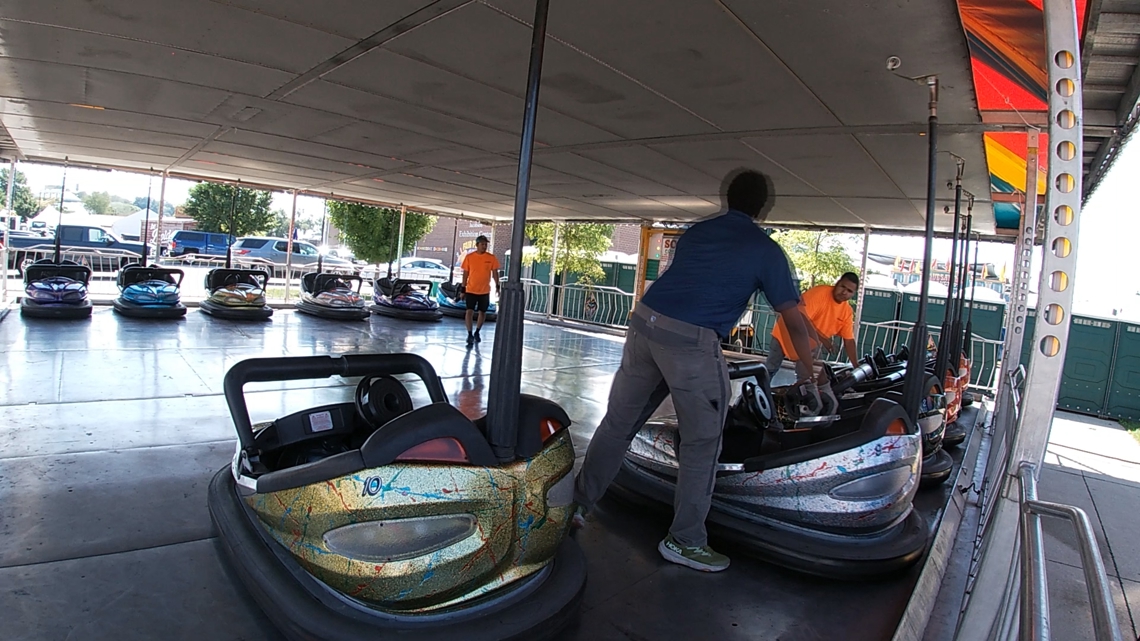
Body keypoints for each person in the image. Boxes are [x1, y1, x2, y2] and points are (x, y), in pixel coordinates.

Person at [572, 169, 817, 573]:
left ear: (727, 197)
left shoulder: (697, 233)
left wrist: (813, 340)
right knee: (702, 442)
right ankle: (685, 540)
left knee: (619, 423)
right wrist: (808, 371)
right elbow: (790, 317)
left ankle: (579, 504)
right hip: (690, 343)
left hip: (645, 324)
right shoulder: (765, 249)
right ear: (765, 207)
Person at [766, 272, 861, 374]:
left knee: (806, 377)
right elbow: (801, 319)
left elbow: (849, 341)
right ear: (837, 283)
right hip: (786, 333)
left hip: (807, 344)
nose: (844, 292)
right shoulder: (819, 293)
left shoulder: (847, 312)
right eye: (843, 286)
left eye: (849, 291)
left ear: (853, 294)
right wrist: (823, 340)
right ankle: (757, 389)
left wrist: (856, 365)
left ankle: (796, 389)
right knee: (771, 368)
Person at [460, 235, 501, 347]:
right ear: (477, 245)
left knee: (482, 312)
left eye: (485, 244)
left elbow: (495, 273)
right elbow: (465, 274)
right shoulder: (469, 257)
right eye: (482, 244)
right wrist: (463, 289)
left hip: (484, 290)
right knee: (469, 311)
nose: (484, 246)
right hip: (471, 289)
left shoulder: (491, 258)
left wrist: (498, 286)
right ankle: (469, 333)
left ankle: (477, 331)